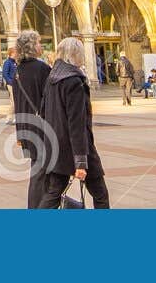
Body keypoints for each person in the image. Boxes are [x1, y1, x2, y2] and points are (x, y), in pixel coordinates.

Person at [37, 37, 109, 208]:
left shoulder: (52, 78)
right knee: (100, 194)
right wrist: (81, 162)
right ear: (77, 55)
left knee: (54, 192)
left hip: (57, 146)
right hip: (78, 148)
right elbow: (77, 124)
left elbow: (43, 112)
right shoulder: (73, 81)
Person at [10, 30, 52, 207]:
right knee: (41, 174)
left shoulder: (17, 71)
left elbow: (18, 104)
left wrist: (20, 134)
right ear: (32, 46)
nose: (41, 46)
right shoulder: (42, 69)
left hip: (26, 128)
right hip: (42, 128)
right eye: (39, 42)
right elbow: (51, 100)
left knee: (39, 170)